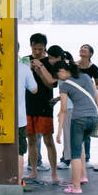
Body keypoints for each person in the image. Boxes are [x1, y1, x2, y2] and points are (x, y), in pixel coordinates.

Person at [0, 48, 37, 187]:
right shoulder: (24, 68)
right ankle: (18, 181)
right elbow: (34, 89)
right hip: (19, 117)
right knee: (19, 150)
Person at [56, 57, 98, 194]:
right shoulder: (86, 77)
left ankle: (76, 187)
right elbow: (96, 97)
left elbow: (63, 110)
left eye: (57, 74)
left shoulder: (65, 85)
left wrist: (59, 132)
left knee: (75, 154)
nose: (58, 78)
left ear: (62, 71)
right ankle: (82, 177)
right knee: (80, 147)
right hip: (93, 118)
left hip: (79, 119)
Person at [25, 34, 59, 184]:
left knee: (48, 140)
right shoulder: (25, 60)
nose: (37, 51)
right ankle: (33, 170)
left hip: (45, 105)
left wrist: (40, 67)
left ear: (45, 47)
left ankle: (54, 173)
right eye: (34, 48)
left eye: (40, 48)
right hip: (27, 104)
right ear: (31, 46)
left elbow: (51, 84)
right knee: (31, 140)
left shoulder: (49, 62)